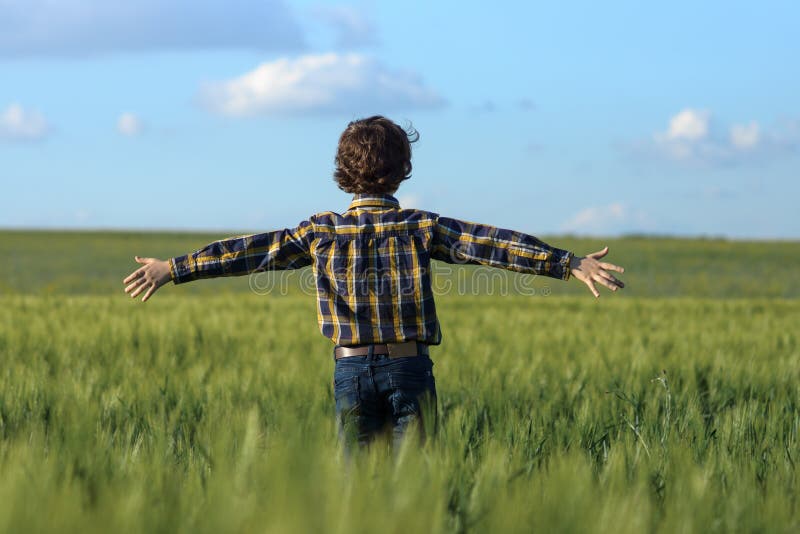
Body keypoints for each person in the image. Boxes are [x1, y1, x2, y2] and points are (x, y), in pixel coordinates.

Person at [122, 116, 625, 449]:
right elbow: (490, 243)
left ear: (343, 172)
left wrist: (175, 267)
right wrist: (566, 263)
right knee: (414, 495)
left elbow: (252, 251)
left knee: (356, 500)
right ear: (402, 170)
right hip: (410, 369)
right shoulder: (419, 226)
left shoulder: (321, 231)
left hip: (350, 373)